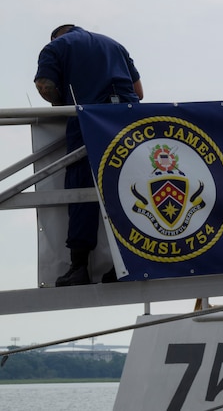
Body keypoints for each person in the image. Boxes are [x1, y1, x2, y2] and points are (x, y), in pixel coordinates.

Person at [34, 24, 144, 286]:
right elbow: (139, 93)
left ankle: (79, 267)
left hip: (89, 121)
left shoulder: (55, 47)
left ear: (57, 35)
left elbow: (45, 86)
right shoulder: (115, 44)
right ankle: (125, 264)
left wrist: (62, 103)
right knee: (124, 189)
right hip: (127, 124)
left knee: (81, 189)